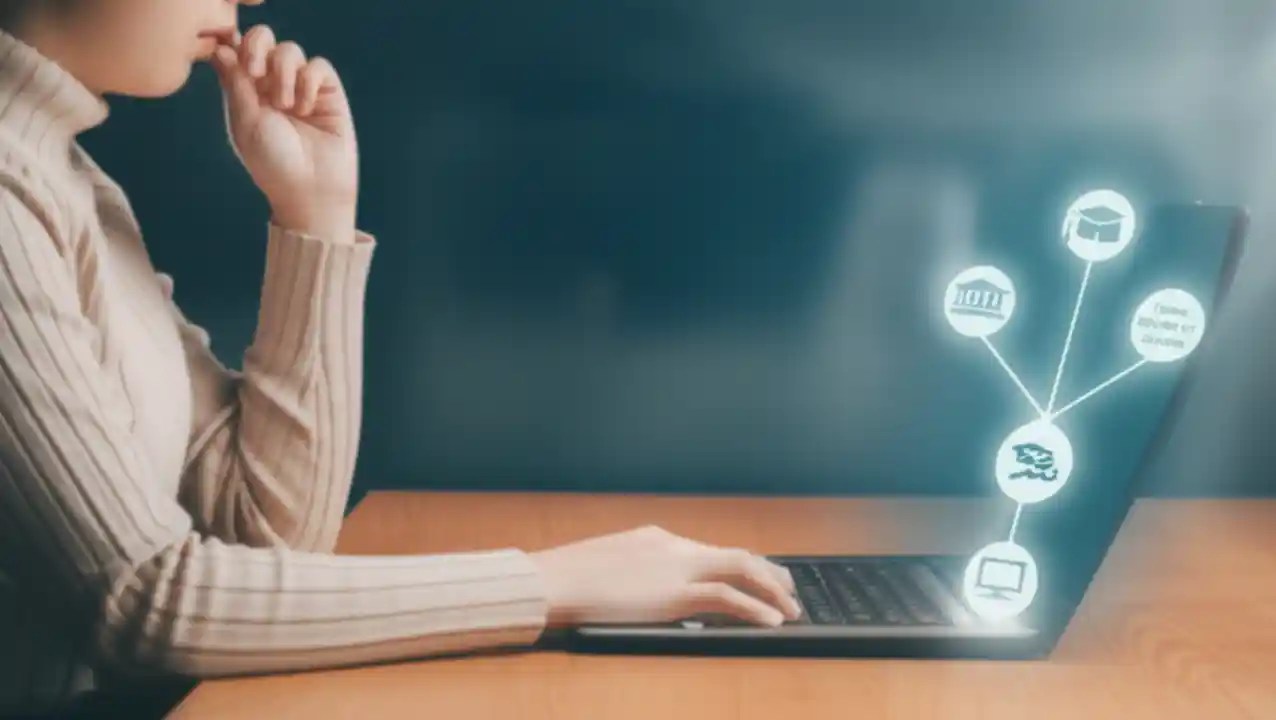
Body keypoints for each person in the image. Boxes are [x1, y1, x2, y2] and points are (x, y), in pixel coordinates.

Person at [0, 0, 802, 716]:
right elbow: (142, 601)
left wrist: (315, 212)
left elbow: (267, 545)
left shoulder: (67, 179)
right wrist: (556, 584)